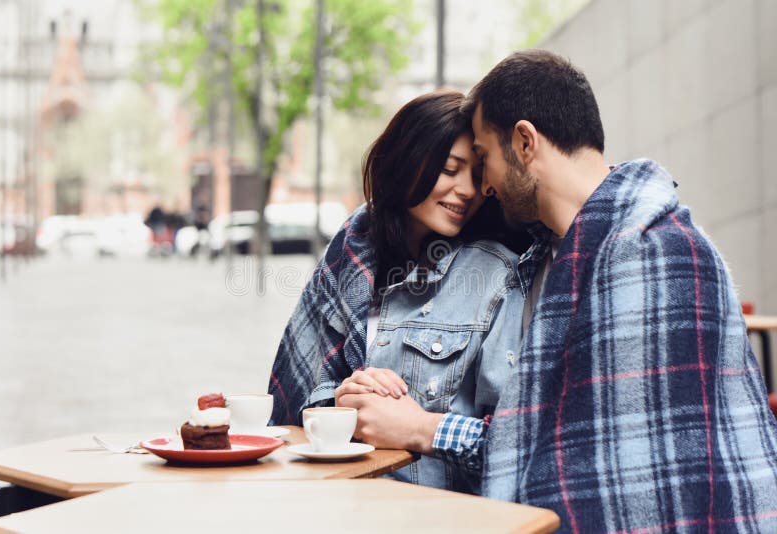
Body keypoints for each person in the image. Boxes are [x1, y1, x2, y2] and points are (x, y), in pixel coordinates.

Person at [342, 49, 777, 532]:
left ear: (525, 142)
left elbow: (601, 462)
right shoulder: (546, 254)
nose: (482, 185)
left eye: (483, 158)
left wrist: (421, 428)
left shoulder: (653, 250)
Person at [268, 90, 531, 493]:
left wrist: (417, 427)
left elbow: (515, 442)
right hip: (342, 503)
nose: (467, 190)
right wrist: (343, 401)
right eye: (449, 168)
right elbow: (297, 404)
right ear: (407, 159)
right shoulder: (350, 251)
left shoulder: (495, 273)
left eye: (478, 176)